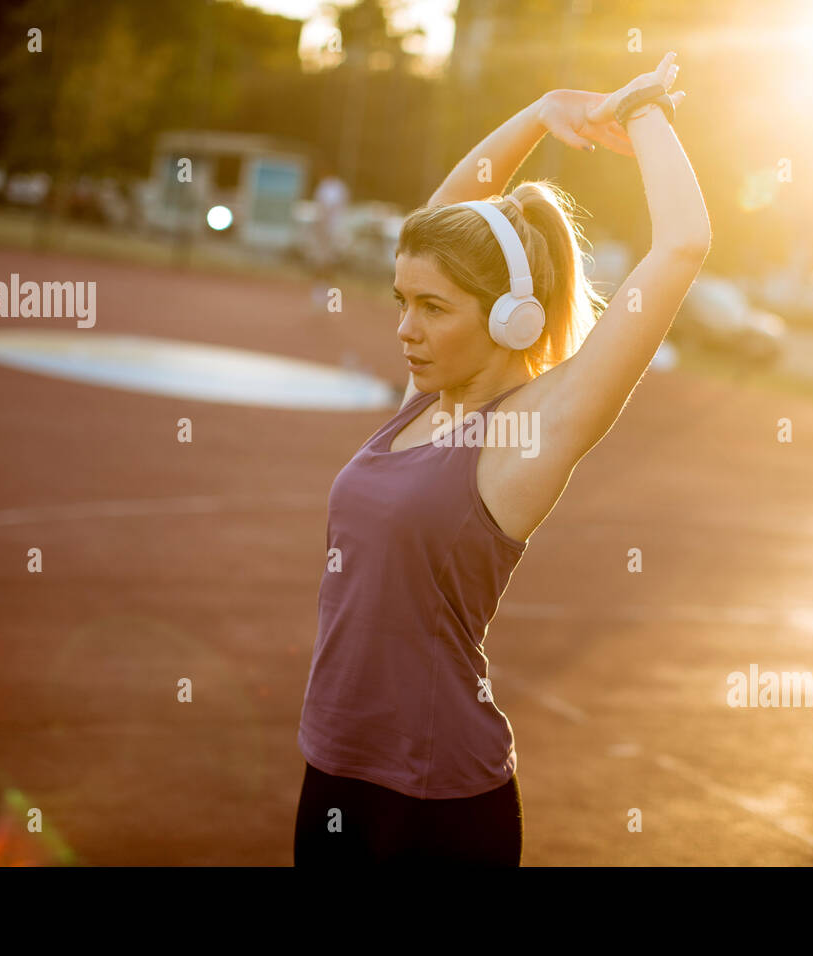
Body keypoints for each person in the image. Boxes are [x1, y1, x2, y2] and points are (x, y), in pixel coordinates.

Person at [293, 52, 707, 866]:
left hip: (433, 802)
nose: (405, 327)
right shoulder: (428, 396)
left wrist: (641, 109)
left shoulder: (533, 429)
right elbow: (443, 223)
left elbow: (683, 246)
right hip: (333, 770)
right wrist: (543, 110)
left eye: (433, 309)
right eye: (402, 302)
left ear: (511, 320)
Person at [309, 164, 350, 311]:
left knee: (323, 264)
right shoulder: (339, 187)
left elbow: (326, 209)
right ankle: (330, 301)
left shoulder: (328, 187)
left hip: (327, 231)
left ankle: (322, 298)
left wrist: (321, 228)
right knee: (328, 264)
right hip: (334, 231)